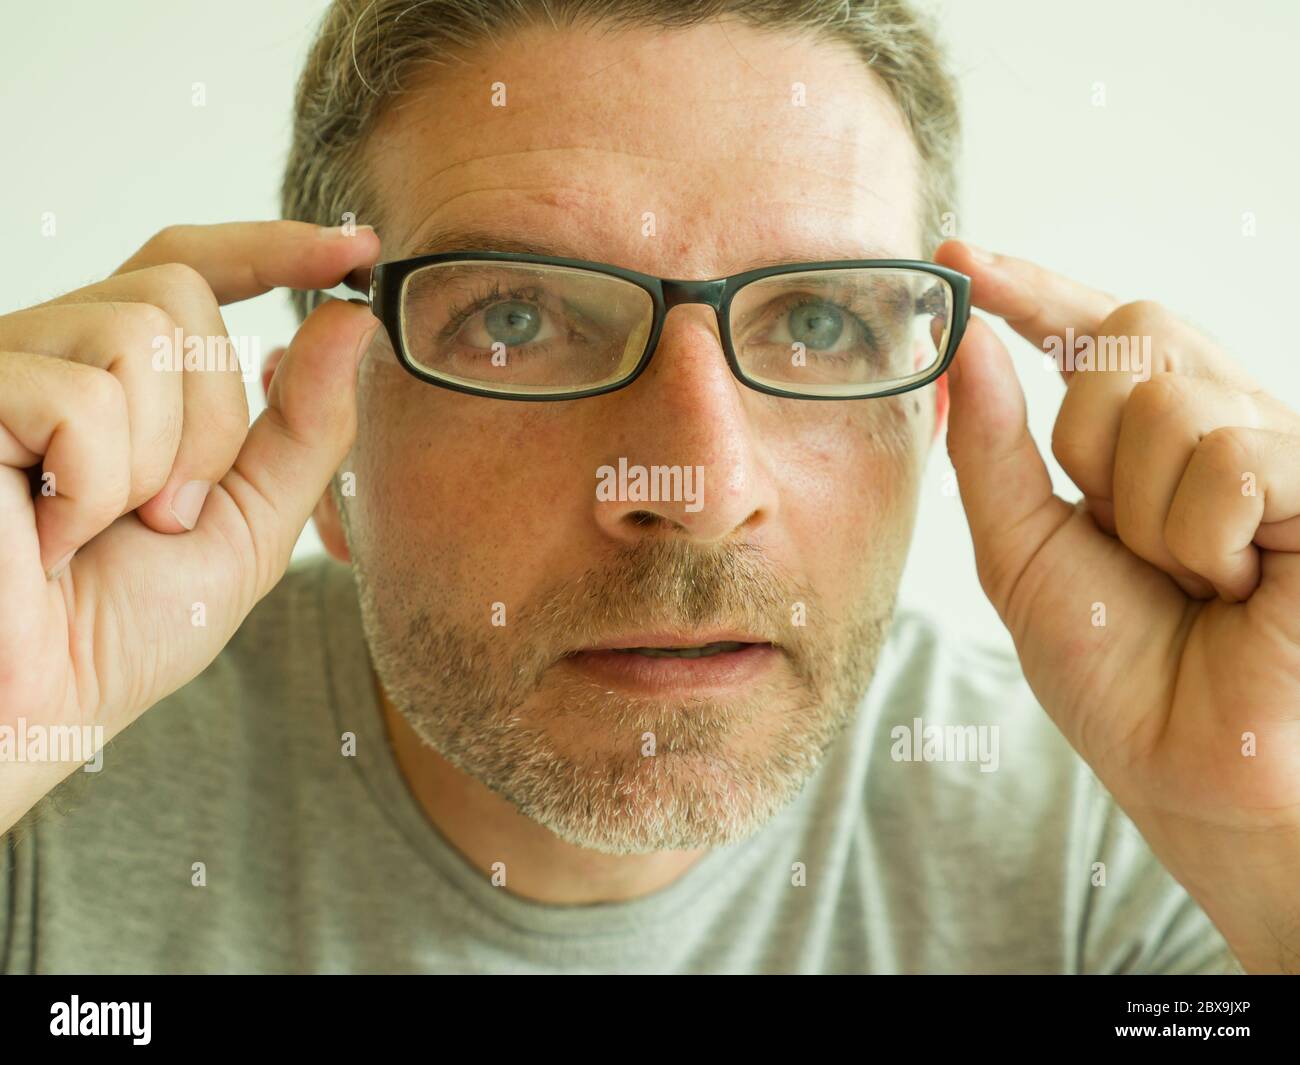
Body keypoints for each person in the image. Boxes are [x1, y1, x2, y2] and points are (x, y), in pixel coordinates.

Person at [2, 0, 1295, 975]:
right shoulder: (50, 797)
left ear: (937, 410)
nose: (697, 482)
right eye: (512, 317)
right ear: (327, 437)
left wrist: (1267, 840)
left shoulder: (1108, 841)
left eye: (823, 325)